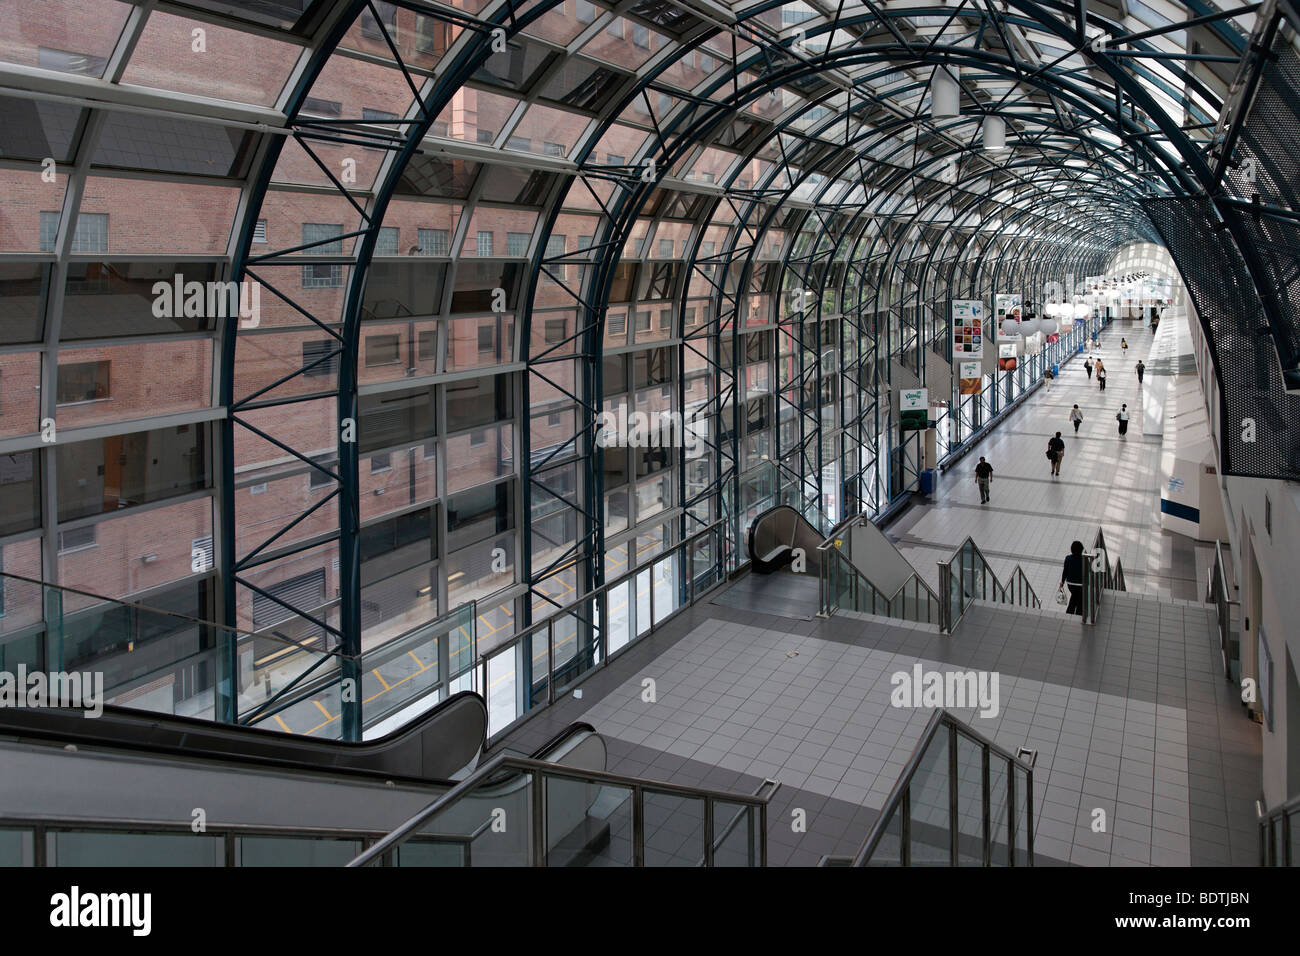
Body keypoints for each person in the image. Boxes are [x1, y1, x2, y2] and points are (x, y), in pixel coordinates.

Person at [1060, 540, 1086, 616]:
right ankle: (1078, 614)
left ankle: (1069, 613)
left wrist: (1062, 581)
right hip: (1081, 584)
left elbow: (1065, 570)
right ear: (1081, 550)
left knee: (1074, 596)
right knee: (1079, 599)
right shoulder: (1084, 559)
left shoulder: (1068, 558)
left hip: (1070, 584)